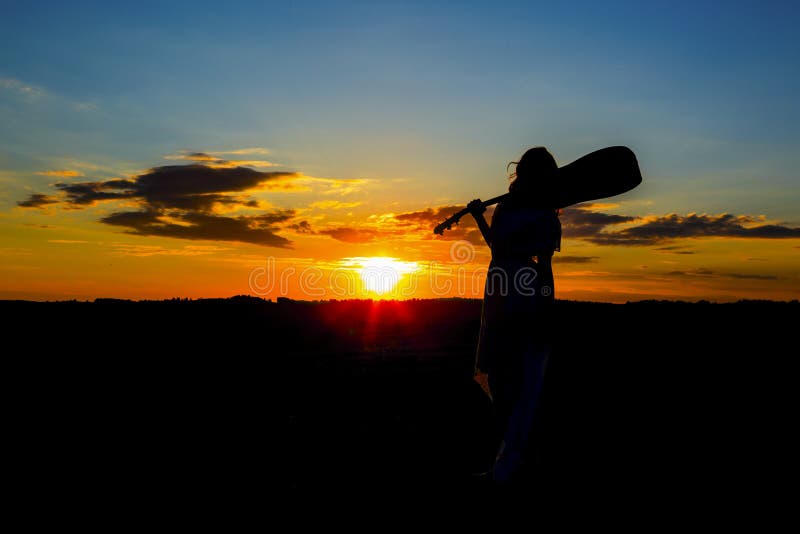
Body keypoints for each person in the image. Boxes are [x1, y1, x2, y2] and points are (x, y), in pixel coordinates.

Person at [467, 146, 562, 485]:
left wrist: (547, 307)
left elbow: (545, 267)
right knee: (498, 377)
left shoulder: (546, 215)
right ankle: (507, 462)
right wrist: (479, 216)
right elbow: (498, 248)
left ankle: (512, 466)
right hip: (498, 290)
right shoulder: (505, 208)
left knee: (519, 379)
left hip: (524, 295)